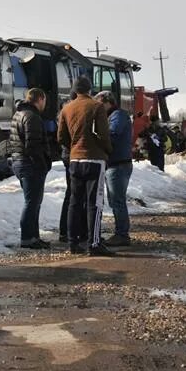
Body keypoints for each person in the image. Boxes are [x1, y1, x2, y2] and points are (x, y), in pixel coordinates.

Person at [58, 76, 113, 256]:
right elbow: (103, 134)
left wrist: (74, 147)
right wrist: (107, 150)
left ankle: (73, 243)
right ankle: (94, 244)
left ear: (74, 90)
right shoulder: (96, 106)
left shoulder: (66, 108)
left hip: (75, 160)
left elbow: (61, 137)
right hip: (94, 160)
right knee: (94, 203)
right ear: (90, 89)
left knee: (74, 202)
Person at [9, 88, 53, 249]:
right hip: (30, 164)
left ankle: (34, 237)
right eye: (44, 101)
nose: (45, 104)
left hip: (19, 161)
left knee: (33, 202)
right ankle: (28, 238)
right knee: (32, 202)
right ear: (40, 99)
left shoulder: (18, 114)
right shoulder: (32, 117)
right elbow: (32, 145)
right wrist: (42, 164)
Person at [95, 91, 134, 247]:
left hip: (118, 165)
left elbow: (112, 134)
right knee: (115, 200)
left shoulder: (118, 116)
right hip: (115, 164)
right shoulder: (113, 116)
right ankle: (121, 232)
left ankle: (122, 234)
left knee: (117, 201)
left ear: (107, 102)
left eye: (99, 105)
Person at [58, 91, 78, 244]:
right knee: (74, 195)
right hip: (74, 156)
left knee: (70, 194)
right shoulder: (74, 112)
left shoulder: (64, 111)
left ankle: (65, 231)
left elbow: (61, 137)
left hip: (68, 155)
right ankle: (70, 231)